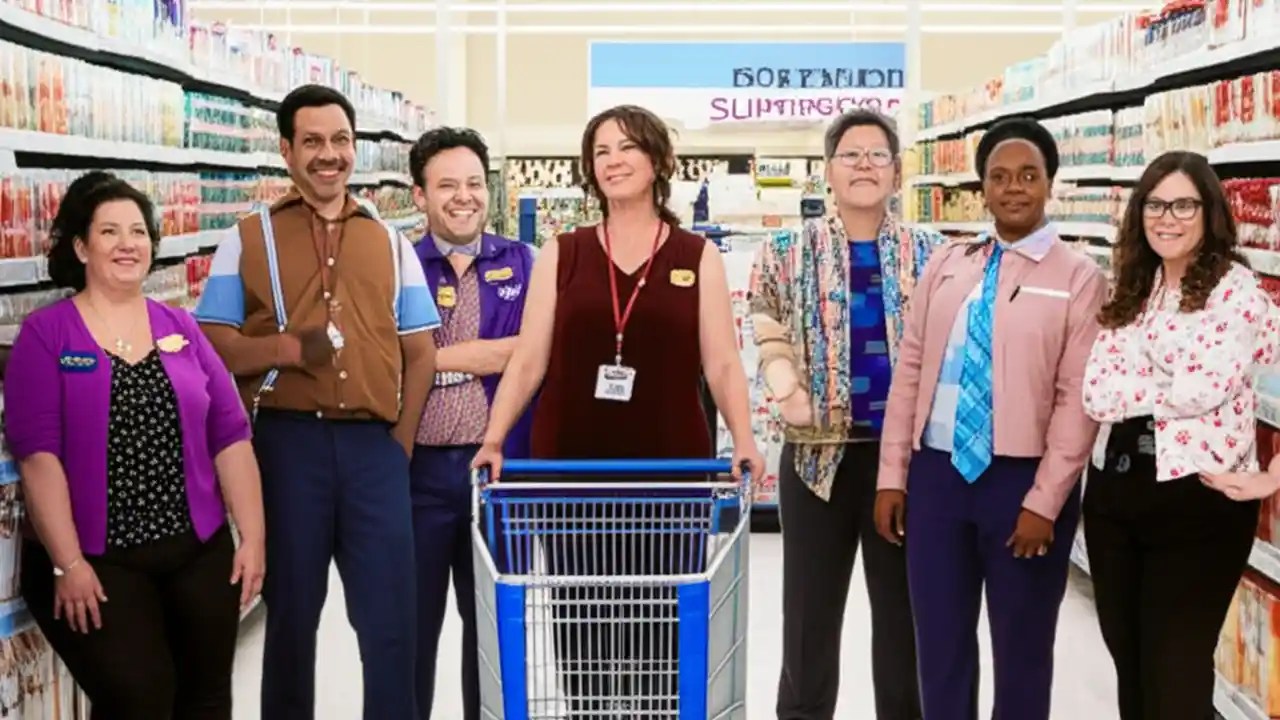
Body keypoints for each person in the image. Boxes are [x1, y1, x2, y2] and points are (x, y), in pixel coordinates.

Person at [470, 104, 764, 715]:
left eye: (628, 147)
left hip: (670, 474)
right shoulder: (564, 252)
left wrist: (744, 439)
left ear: (657, 161)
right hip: (571, 474)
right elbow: (529, 358)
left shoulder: (693, 256)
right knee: (583, 634)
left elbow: (723, 363)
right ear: (588, 168)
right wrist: (495, 437)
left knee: (663, 636)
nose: (614, 161)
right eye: (601, 151)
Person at [193, 85, 442, 720]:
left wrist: (400, 444)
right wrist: (282, 347)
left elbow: (421, 352)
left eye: (340, 141)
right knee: (291, 619)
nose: (328, 155)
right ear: (286, 150)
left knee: (390, 620)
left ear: (354, 148)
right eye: (312, 142)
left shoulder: (391, 244)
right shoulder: (245, 240)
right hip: (286, 446)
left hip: (374, 450)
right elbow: (212, 346)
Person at [3, 171, 266, 719]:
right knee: (138, 698)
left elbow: (230, 433)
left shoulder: (181, 327)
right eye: (109, 232)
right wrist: (67, 563)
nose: (128, 244)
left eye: (139, 232)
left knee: (208, 697)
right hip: (98, 561)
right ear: (80, 246)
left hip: (198, 548)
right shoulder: (46, 335)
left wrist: (254, 537)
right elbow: (38, 457)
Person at [875, 117, 1107, 720]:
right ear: (981, 188)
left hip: (1021, 484)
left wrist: (1045, 502)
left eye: (1028, 175)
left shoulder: (1079, 278)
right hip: (938, 477)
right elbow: (911, 370)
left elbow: (1076, 399)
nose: (1014, 188)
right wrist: (892, 475)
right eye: (999, 177)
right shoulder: (950, 263)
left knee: (1023, 649)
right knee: (941, 646)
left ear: (1050, 184)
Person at [750, 109, 942, 720]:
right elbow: (765, 324)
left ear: (897, 171)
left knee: (904, 622)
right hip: (815, 463)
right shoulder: (785, 251)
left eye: (877, 155)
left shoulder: (932, 256)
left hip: (903, 467)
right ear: (827, 171)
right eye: (850, 155)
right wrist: (787, 392)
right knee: (807, 621)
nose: (864, 165)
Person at [1081, 150, 1280, 720]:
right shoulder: (1134, 285)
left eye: (1184, 205)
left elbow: (1204, 386)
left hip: (1197, 500)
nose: (1167, 217)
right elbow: (1096, 390)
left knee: (1176, 673)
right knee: (1132, 664)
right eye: (1155, 204)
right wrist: (1166, 381)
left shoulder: (1234, 289)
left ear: (1210, 211)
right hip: (1115, 496)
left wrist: (1273, 471)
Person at [408, 126, 534, 720]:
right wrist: (490, 351)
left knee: (491, 627)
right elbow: (384, 360)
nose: (464, 197)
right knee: (409, 630)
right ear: (419, 195)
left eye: (475, 184)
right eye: (447, 185)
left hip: (499, 475)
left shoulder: (526, 261)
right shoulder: (398, 267)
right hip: (417, 476)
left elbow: (541, 350)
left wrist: (432, 360)